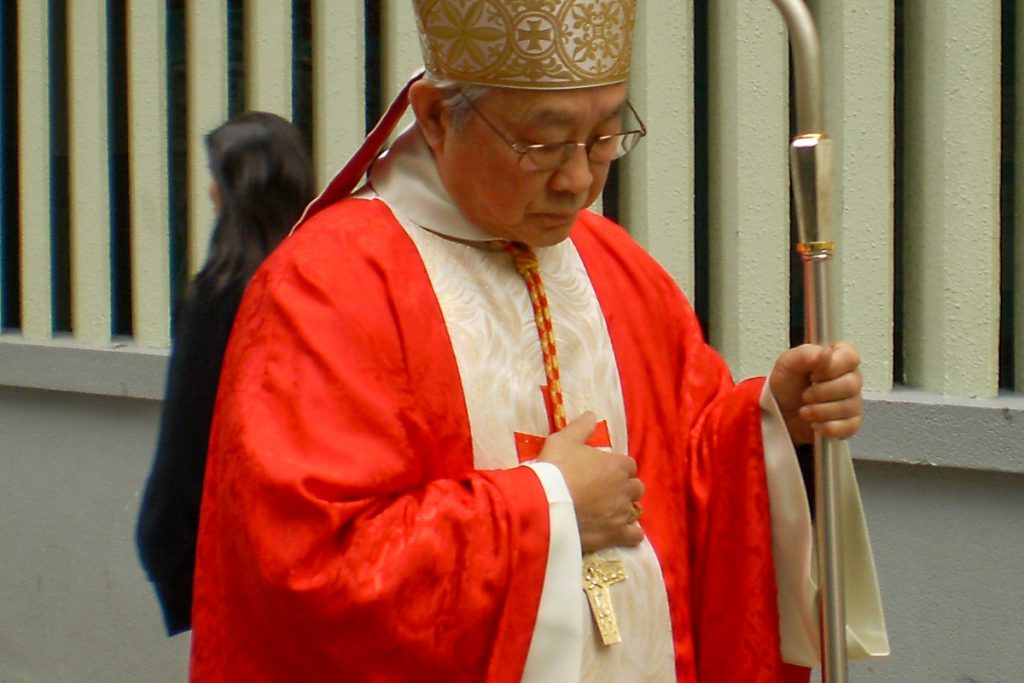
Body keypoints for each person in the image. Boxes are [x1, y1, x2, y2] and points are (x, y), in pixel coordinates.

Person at [190, 2, 888, 681]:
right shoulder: (326, 287)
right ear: (436, 117)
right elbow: (305, 567)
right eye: (543, 142)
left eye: (605, 136)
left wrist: (775, 424)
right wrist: (548, 509)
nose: (579, 178)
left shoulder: (619, 270)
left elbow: (692, 461)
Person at [136, 111, 316, 635]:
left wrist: (166, 545)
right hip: (314, 544)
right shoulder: (324, 279)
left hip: (236, 551)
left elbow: (190, 437)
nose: (210, 192)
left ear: (239, 188)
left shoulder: (223, 296)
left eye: (217, 177)